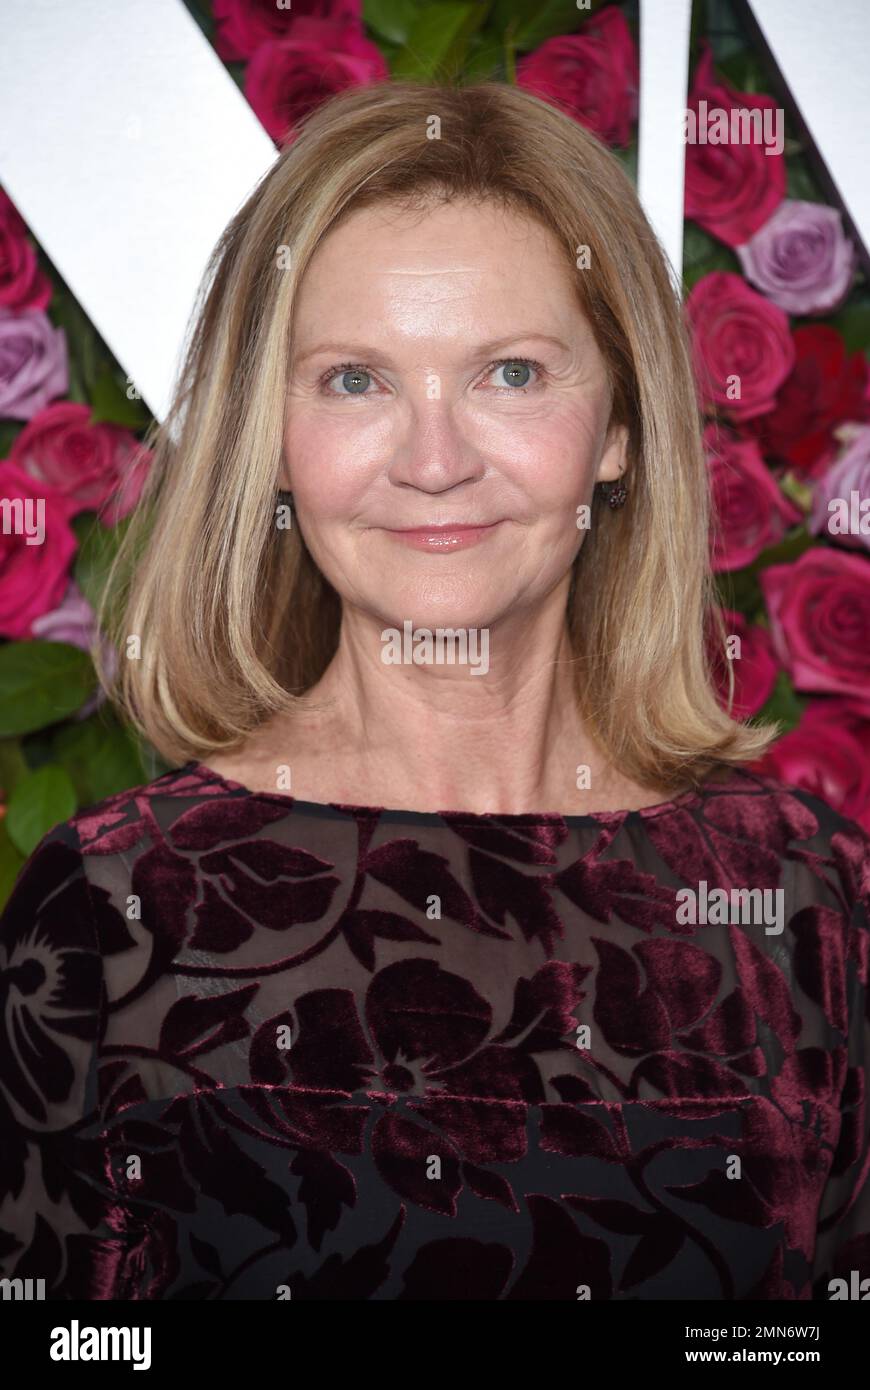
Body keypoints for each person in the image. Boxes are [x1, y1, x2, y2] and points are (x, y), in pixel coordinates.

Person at [1, 80, 867, 1301]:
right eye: (356, 381)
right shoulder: (116, 912)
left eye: (510, 374)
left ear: (617, 427)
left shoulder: (807, 904)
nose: (434, 460)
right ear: (274, 434)